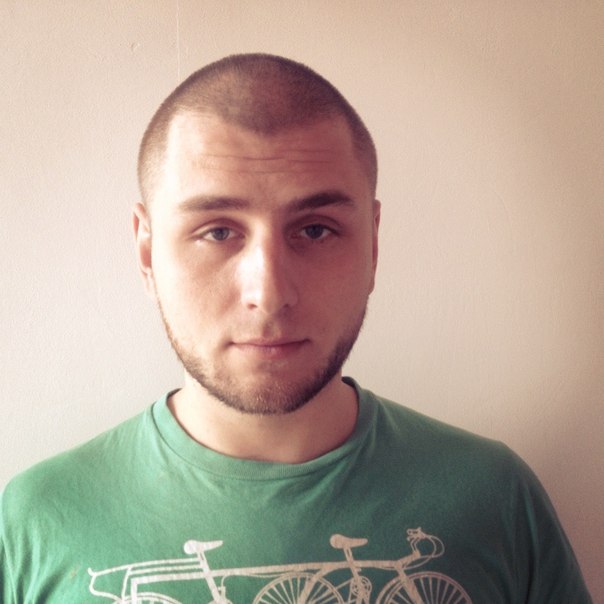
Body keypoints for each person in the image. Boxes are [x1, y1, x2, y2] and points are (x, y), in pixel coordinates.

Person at [0, 54, 591, 603]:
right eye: (217, 232)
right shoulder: (35, 520)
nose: (269, 293)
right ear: (148, 253)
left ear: (373, 245)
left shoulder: (494, 496)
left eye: (315, 230)